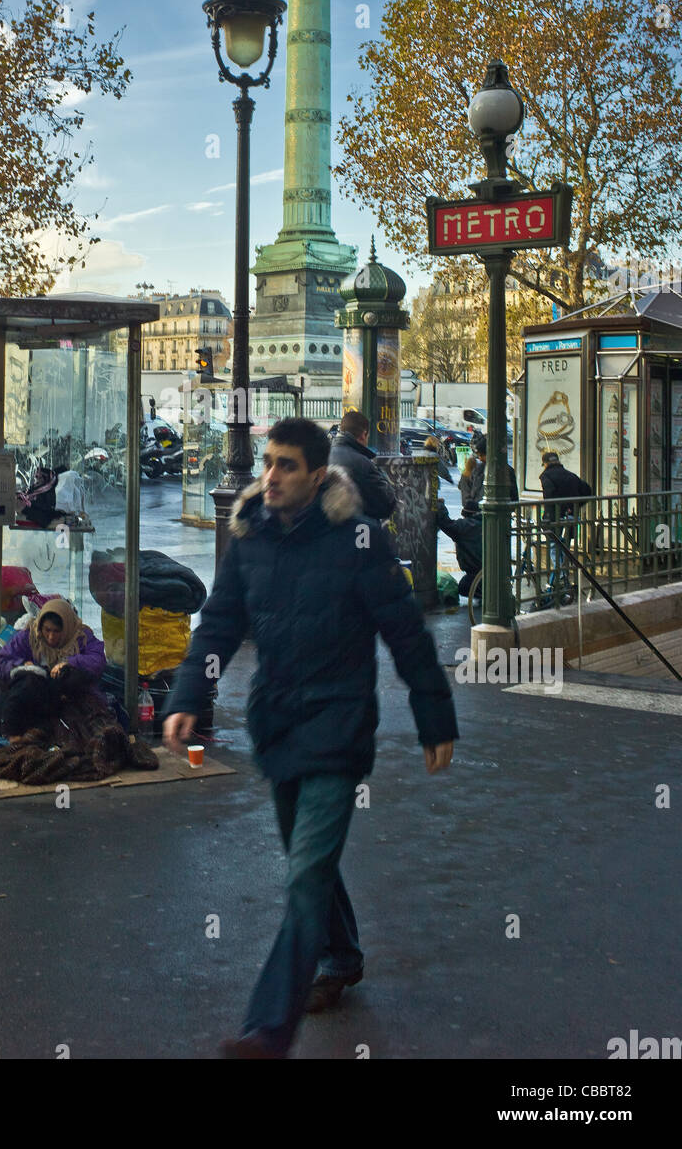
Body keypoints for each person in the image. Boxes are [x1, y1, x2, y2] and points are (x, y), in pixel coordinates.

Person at [161, 417, 458, 1060]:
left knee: (303, 877)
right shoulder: (250, 539)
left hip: (338, 727)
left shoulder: (359, 540)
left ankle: (268, 1029)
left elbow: (405, 632)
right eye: (267, 462)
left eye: (286, 465)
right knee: (309, 859)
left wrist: (435, 716)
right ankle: (341, 954)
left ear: (318, 475)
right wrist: (188, 695)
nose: (269, 476)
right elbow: (217, 626)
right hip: (278, 727)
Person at [0, 596, 107, 742]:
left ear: (66, 628)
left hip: (71, 696)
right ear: (40, 626)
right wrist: (22, 666)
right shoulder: (28, 637)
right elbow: (2, 661)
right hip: (34, 697)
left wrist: (70, 662)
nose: (51, 636)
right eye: (47, 630)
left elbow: (98, 660)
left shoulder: (82, 637)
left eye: (57, 631)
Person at [327, 409, 396, 521]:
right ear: (364, 435)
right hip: (358, 532)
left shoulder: (325, 456)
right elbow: (387, 502)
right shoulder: (363, 463)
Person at [539, 450, 592, 594]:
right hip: (571, 517)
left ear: (545, 464)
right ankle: (563, 577)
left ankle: (561, 576)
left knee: (553, 544)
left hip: (556, 517)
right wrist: (574, 506)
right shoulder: (571, 475)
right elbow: (588, 490)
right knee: (564, 547)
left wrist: (555, 511)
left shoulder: (546, 476)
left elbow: (549, 497)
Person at [436, 498, 482, 599]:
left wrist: (440, 505)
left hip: (478, 574)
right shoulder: (486, 524)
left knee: (464, 587)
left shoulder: (465, 526)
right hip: (491, 573)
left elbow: (445, 523)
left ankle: (482, 593)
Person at [468, 431, 518, 507]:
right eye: (479, 456)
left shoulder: (507, 471)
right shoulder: (478, 469)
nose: (480, 458)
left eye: (482, 455)